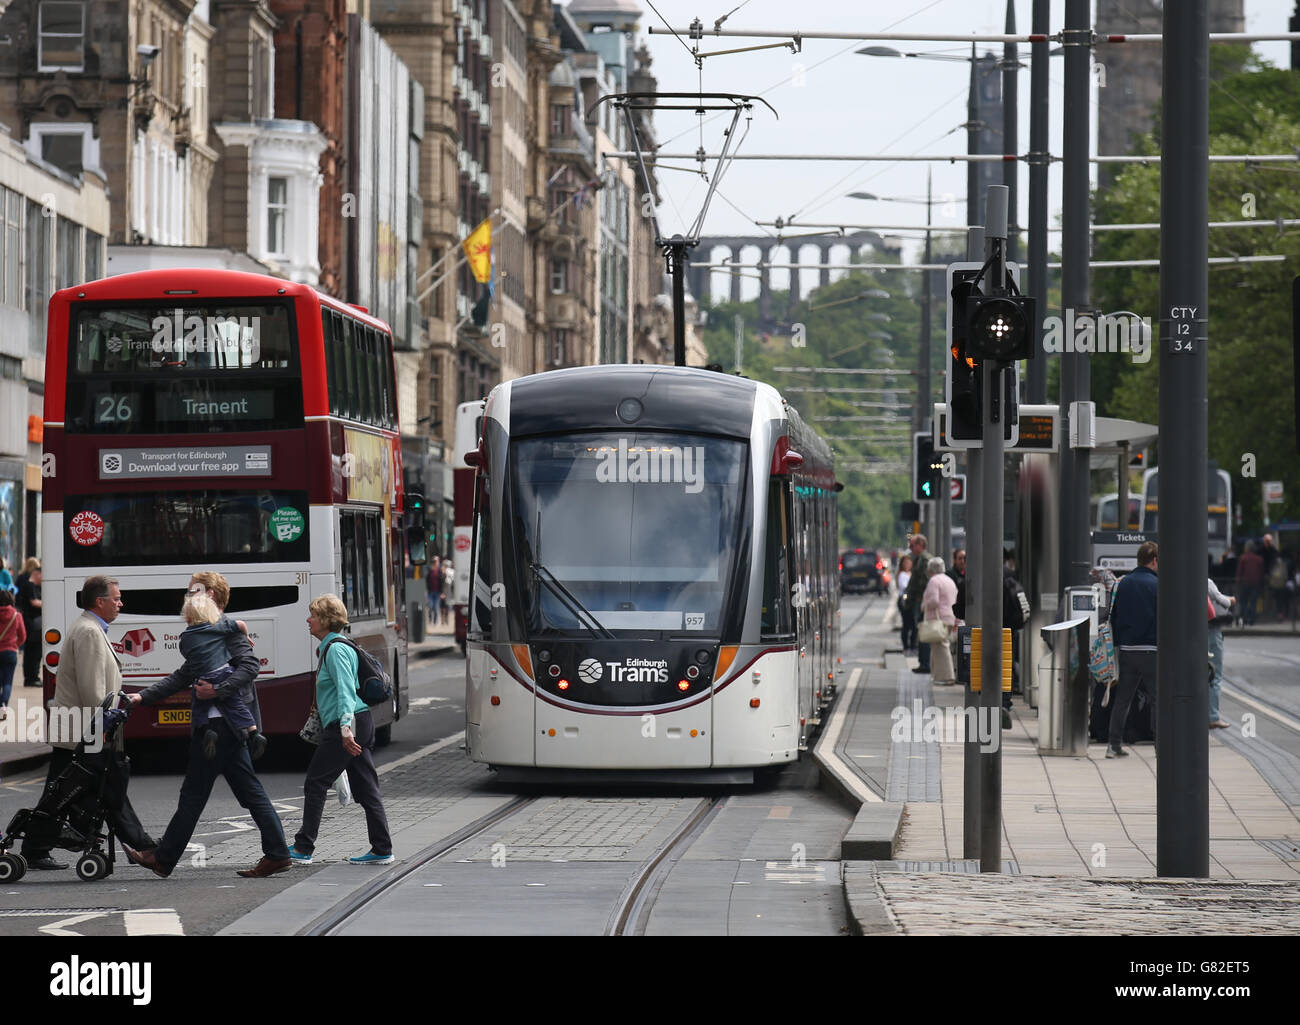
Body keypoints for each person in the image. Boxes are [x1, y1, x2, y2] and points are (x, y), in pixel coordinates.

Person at [124, 572, 291, 878]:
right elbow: (183, 674)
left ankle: (164, 858)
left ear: (211, 594)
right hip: (219, 728)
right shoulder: (202, 632)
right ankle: (277, 853)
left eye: (193, 592)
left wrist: (218, 690)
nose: (188, 597)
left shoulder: (226, 631)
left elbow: (250, 667)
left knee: (196, 795)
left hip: (221, 727)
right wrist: (142, 697)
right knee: (239, 793)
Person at [22, 575, 156, 870]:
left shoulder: (91, 628)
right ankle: (140, 845)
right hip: (83, 729)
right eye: (117, 598)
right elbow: (92, 688)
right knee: (100, 789)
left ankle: (35, 846)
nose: (121, 603)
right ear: (100, 601)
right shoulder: (89, 632)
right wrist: (104, 725)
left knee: (63, 791)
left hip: (81, 729)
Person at [287, 594, 393, 866]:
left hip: (348, 723)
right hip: (358, 721)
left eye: (312, 615)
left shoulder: (336, 649)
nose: (308, 620)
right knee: (367, 788)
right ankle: (382, 848)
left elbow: (346, 691)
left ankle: (303, 847)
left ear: (324, 620)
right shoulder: (334, 646)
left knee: (316, 782)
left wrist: (346, 729)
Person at [175, 591, 266, 760]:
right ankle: (253, 731)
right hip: (225, 673)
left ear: (188, 618)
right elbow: (240, 624)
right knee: (237, 704)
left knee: (200, 703)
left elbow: (186, 655)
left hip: (205, 677)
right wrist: (245, 636)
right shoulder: (219, 629)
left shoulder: (186, 637)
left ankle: (206, 731)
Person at [1106, 541, 1159, 759]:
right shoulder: (1158, 585)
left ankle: (1113, 745)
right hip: (1152, 650)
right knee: (1158, 700)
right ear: (1154, 560)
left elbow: (1114, 615)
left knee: (1122, 699)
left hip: (1127, 650)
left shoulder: (1123, 584)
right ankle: (1160, 746)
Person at [921, 557, 958, 685]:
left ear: (931, 570)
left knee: (941, 647)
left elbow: (934, 601)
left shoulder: (934, 581)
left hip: (939, 618)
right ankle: (937, 675)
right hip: (950, 616)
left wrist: (924, 605)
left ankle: (947, 676)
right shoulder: (949, 580)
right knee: (937, 647)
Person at [1207, 578, 1234, 730]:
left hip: (1191, 632)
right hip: (1211, 629)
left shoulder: (1176, 578)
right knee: (1214, 674)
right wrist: (1231, 599)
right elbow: (1220, 600)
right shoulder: (1205, 580)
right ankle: (1212, 717)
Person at [902, 535, 932, 674]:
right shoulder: (919, 559)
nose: (910, 548)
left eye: (913, 545)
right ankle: (923, 662)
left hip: (920, 601)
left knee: (922, 631)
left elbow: (924, 581)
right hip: (917, 600)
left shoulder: (925, 560)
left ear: (921, 545)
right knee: (920, 631)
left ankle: (925, 663)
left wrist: (918, 596)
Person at [15, 558, 41, 688]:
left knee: (32, 652)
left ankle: (31, 677)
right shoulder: (30, 585)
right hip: (32, 623)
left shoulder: (24, 581)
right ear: (36, 573)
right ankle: (32, 677)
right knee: (34, 652)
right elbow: (34, 602)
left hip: (30, 622)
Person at [0, 589, 25, 722]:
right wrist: (15, 645)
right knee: (8, 681)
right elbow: (23, 635)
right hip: (10, 651)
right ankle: (4, 705)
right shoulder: (16, 615)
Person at [1235, 541, 1264, 626]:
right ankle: (1252, 620)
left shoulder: (1243, 558)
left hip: (1245, 583)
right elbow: (1261, 572)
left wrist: (1238, 581)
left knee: (1243, 601)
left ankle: (1244, 618)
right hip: (1255, 583)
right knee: (1253, 602)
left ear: (1247, 548)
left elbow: (1239, 572)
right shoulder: (1259, 559)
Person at [896, 554, 916, 655]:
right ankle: (906, 647)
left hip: (912, 601)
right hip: (904, 601)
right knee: (906, 625)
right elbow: (904, 587)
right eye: (905, 563)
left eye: (909, 562)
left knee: (913, 625)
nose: (908, 564)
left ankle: (912, 646)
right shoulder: (902, 575)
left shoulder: (912, 574)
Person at [427, 557, 442, 626]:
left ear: (438, 562)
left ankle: (435, 622)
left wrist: (443, 592)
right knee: (430, 606)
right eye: (434, 561)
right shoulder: (429, 570)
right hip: (430, 592)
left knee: (436, 607)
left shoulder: (440, 570)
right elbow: (426, 581)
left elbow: (443, 582)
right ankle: (430, 620)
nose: (435, 562)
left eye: (436, 561)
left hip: (438, 592)